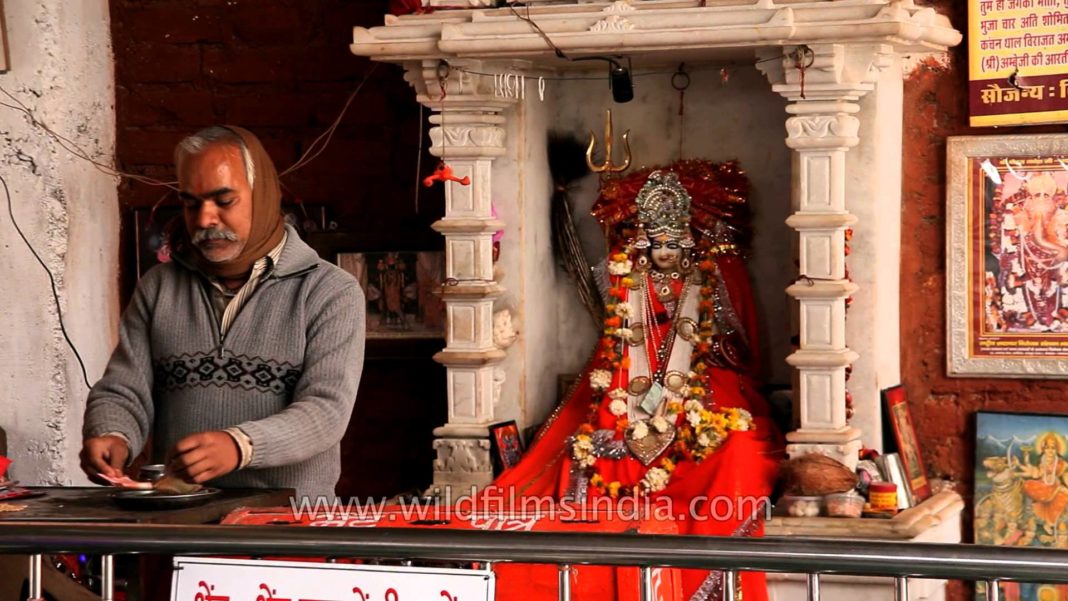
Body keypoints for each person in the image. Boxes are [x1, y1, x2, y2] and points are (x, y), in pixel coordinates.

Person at [486, 160, 784, 601]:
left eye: (673, 241)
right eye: (655, 240)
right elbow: (616, 345)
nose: (664, 252)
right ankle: (593, 575)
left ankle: (696, 575)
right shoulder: (627, 276)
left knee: (737, 452)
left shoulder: (715, 273)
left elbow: (738, 349)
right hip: (633, 384)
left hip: (705, 388)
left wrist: (696, 348)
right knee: (592, 446)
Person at [81, 125, 365, 501]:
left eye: (223, 200)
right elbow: (124, 388)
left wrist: (240, 445)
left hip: (290, 522)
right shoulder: (159, 287)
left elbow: (326, 412)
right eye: (191, 203)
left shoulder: (330, 292)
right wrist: (112, 432)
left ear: (262, 195)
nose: (204, 220)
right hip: (182, 523)